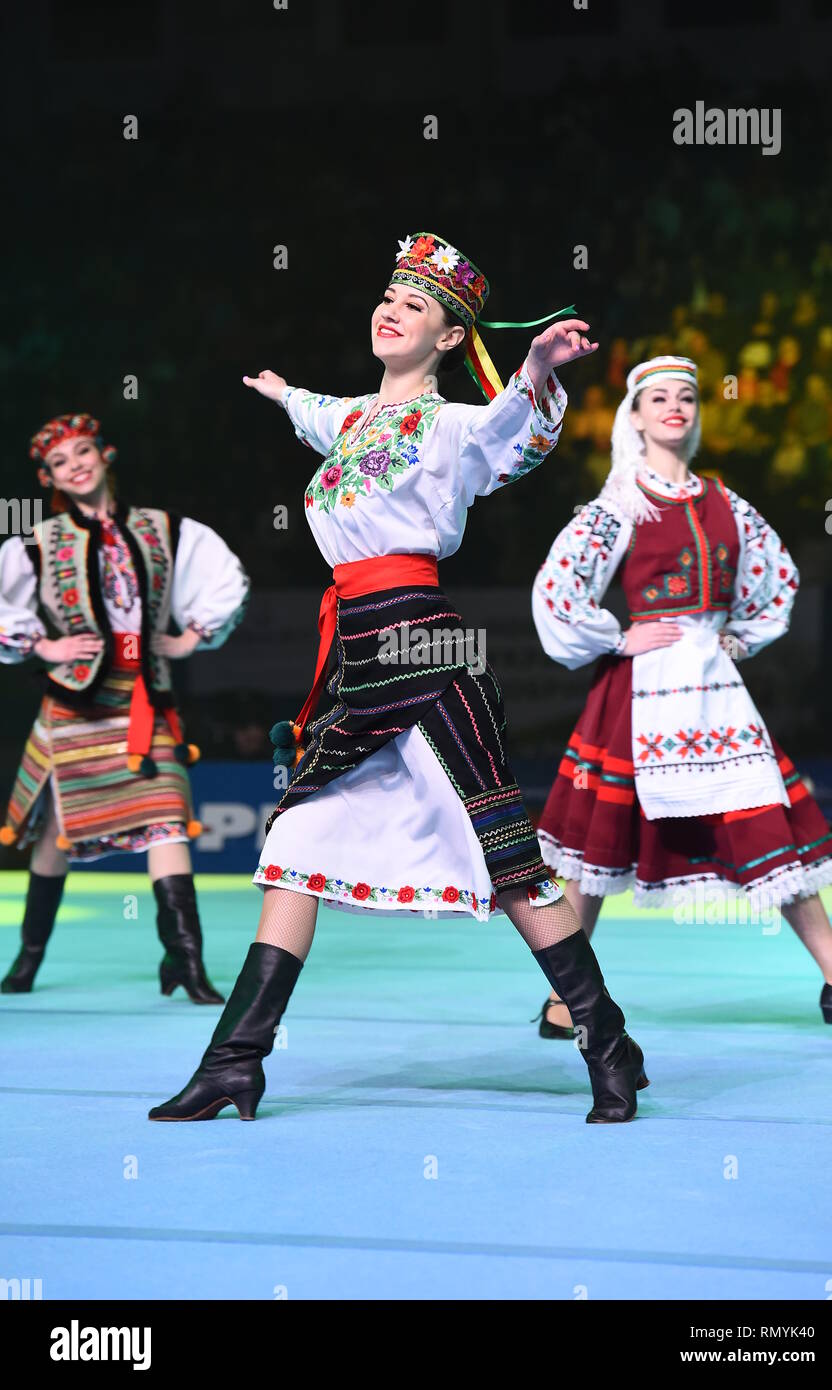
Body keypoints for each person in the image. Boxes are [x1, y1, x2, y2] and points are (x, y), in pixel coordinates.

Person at [149, 230, 648, 1125]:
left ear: (452, 338)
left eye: (415, 305)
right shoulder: (350, 419)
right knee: (293, 850)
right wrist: (278, 394)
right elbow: (314, 411)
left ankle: (607, 1043)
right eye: (389, 294)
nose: (391, 308)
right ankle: (234, 1063)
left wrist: (534, 365)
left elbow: (519, 432)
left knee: (509, 863)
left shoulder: (455, 425)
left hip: (424, 651)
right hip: (358, 655)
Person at [531, 356, 832, 1040]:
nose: (674, 407)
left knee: (766, 826)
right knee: (597, 853)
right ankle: (568, 999)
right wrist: (617, 638)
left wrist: (736, 639)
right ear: (637, 415)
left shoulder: (725, 502)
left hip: (713, 689)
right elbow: (557, 587)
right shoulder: (620, 501)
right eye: (659, 398)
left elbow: (777, 577)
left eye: (685, 397)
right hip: (638, 690)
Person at [0, 412, 249, 1001]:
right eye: (61, 462)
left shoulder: (162, 528)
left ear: (105, 454)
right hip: (76, 704)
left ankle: (187, 961)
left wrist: (191, 635)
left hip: (144, 699)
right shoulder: (39, 542)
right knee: (55, 830)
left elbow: (224, 578)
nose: (75, 465)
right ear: (49, 476)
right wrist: (45, 643)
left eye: (83, 451)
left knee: (166, 817)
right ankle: (28, 958)